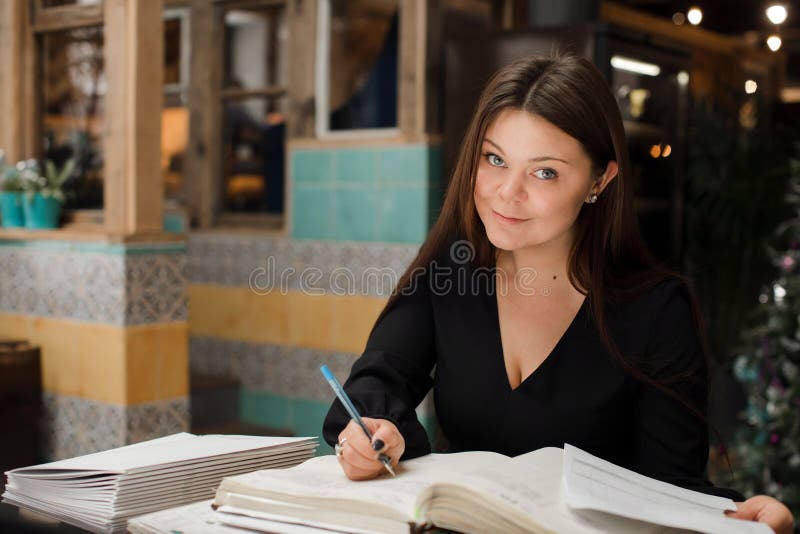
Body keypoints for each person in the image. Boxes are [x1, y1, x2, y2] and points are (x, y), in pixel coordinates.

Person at [322, 55, 794, 534]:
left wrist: (742, 516)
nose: (507, 192)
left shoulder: (656, 311)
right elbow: (380, 380)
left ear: (599, 180)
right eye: (495, 159)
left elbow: (671, 489)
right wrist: (373, 434)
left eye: (544, 172)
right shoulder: (451, 268)